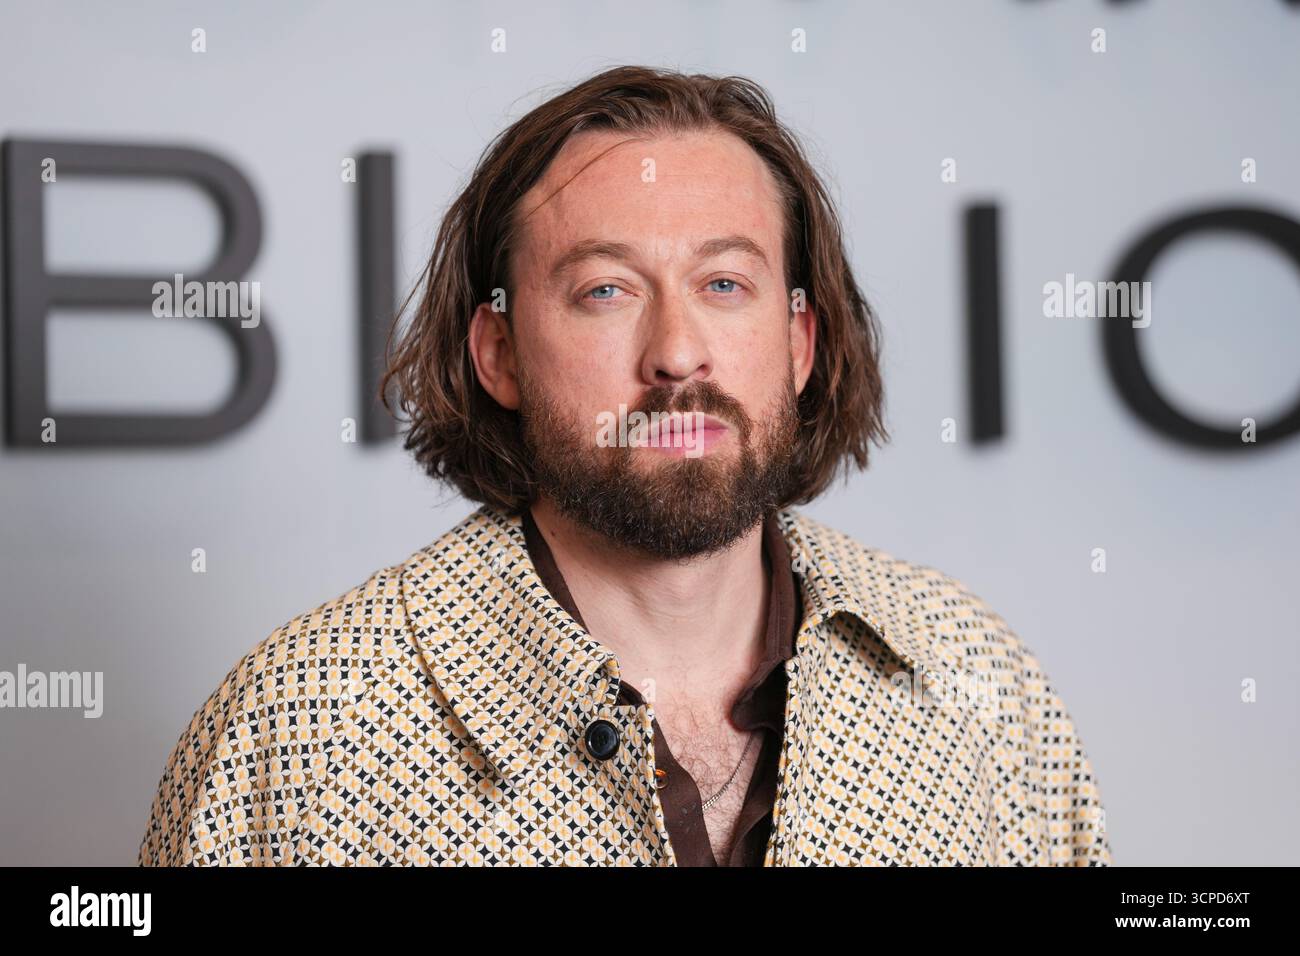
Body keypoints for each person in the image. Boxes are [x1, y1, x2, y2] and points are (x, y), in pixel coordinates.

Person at [138, 65, 1110, 866]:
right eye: (605, 290)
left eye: (724, 283)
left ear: (800, 341)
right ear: (499, 353)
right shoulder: (300, 726)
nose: (677, 352)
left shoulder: (978, 684)